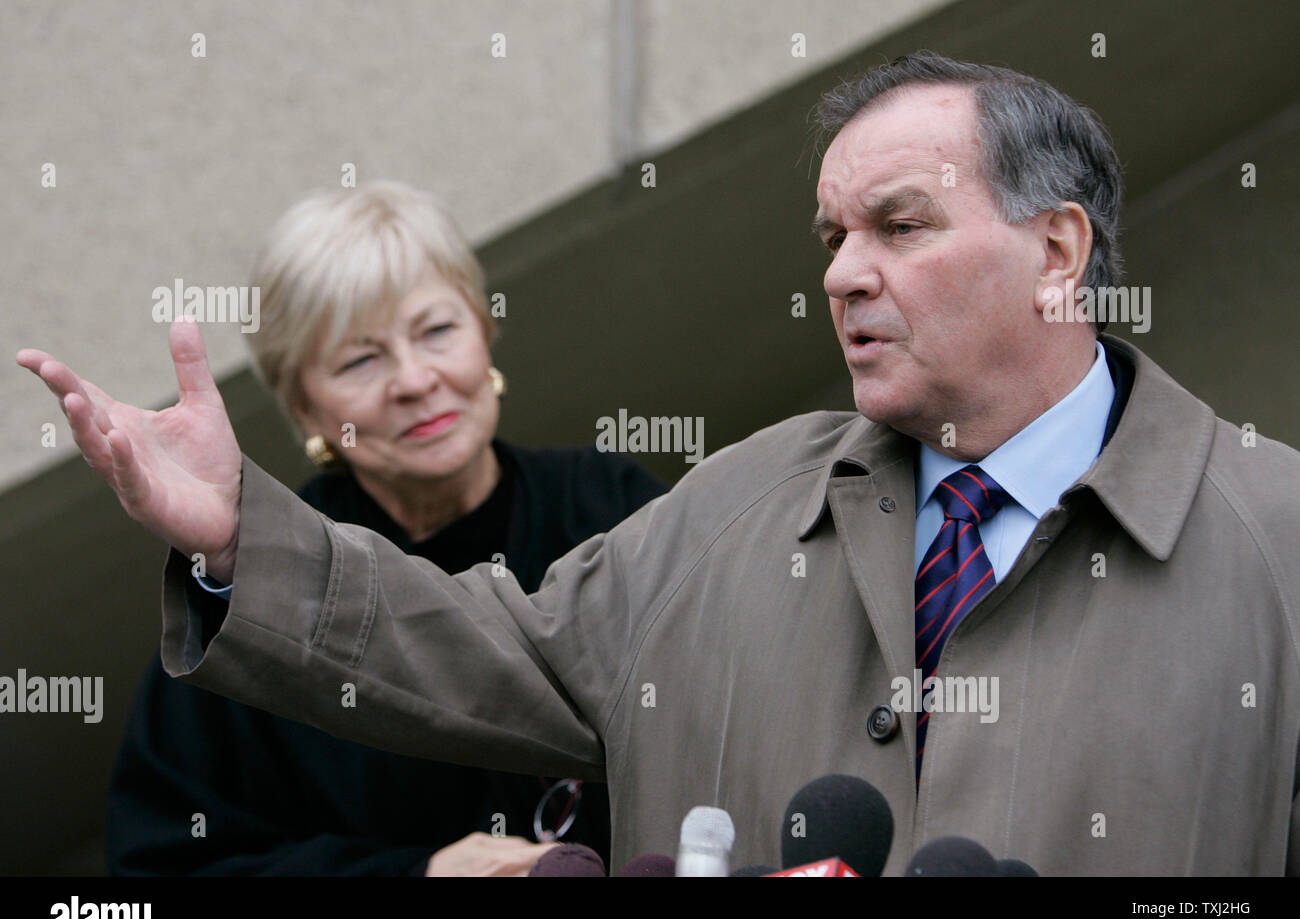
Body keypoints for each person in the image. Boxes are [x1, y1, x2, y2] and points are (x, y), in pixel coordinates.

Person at [19, 52, 1300, 875]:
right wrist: (246, 535)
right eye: (833, 234)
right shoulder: (738, 501)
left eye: (900, 226)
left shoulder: (1277, 536)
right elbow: (489, 649)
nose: (843, 272)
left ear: (1059, 253)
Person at [99, 182, 667, 875]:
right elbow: (158, 870)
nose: (413, 379)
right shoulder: (250, 583)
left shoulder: (609, 507)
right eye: (360, 360)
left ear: (484, 336)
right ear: (304, 409)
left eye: (436, 331)